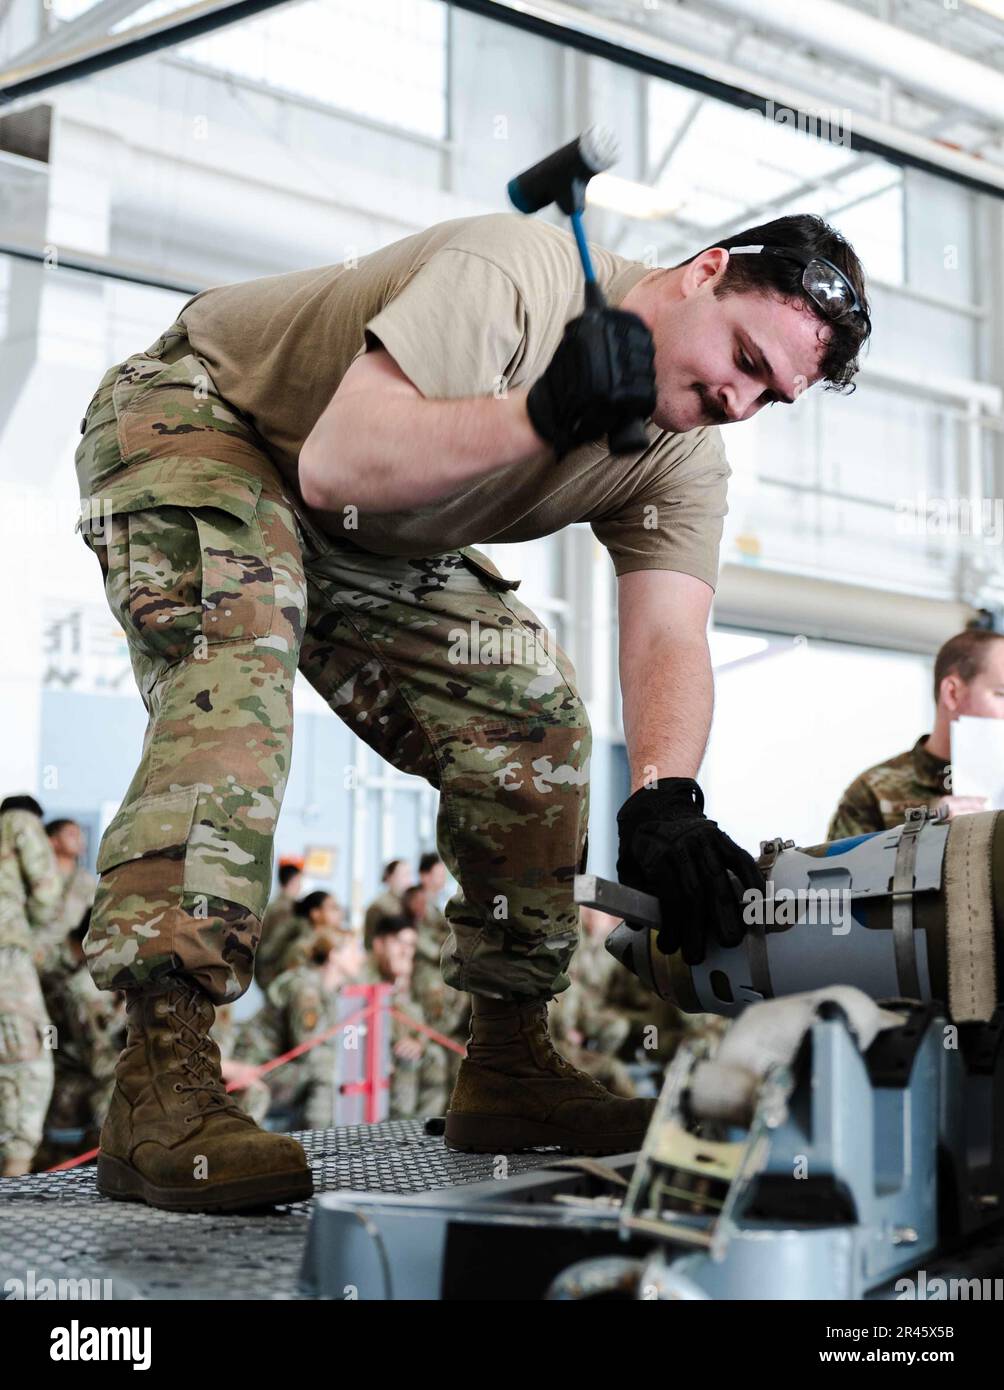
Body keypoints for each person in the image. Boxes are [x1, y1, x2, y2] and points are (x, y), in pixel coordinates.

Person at [74, 206, 869, 1205]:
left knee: (529, 718)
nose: (735, 396)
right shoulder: (519, 274)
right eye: (743, 355)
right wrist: (545, 412)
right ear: (702, 272)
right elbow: (336, 463)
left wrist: (665, 792)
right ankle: (162, 1076)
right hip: (210, 417)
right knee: (237, 659)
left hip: (369, 533)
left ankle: (507, 1062)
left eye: (769, 394)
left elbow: (669, 631)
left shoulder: (682, 455)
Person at [828, 628, 1004, 839]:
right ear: (952, 693)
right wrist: (925, 836)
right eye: (1001, 694)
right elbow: (843, 871)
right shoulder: (874, 791)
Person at [236, 927, 364, 1128]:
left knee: (338, 1065)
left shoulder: (330, 991)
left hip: (281, 1069)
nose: (361, 958)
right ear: (335, 955)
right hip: (256, 1067)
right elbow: (308, 1049)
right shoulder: (305, 989)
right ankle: (320, 1144)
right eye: (354, 950)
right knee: (326, 1068)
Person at [0, 794, 62, 1177]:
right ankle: (15, 1174)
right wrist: (28, 930)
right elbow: (46, 890)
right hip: (6, 952)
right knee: (29, 1061)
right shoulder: (19, 819)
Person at [254, 859, 305, 990]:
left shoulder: (273, 905)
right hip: (275, 971)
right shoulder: (287, 909)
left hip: (265, 969)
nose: (301, 886)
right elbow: (277, 944)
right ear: (294, 881)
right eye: (299, 881)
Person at [363, 860, 412, 950]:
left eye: (409, 875)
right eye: (404, 875)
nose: (408, 880)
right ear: (390, 877)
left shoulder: (410, 902)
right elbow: (370, 941)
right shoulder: (378, 906)